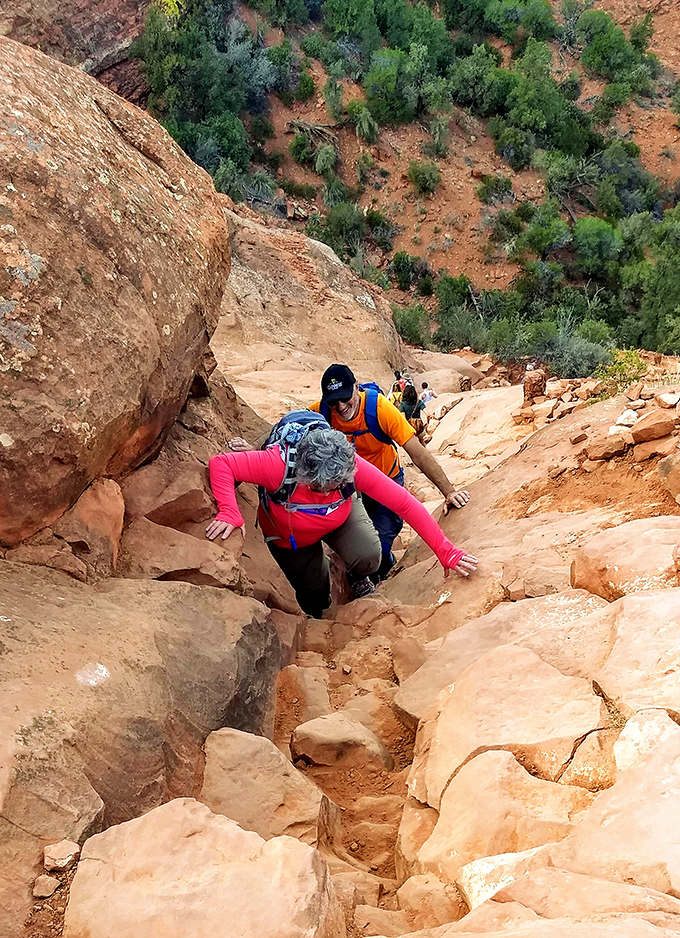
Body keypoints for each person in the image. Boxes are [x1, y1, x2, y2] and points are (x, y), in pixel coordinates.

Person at [206, 423, 478, 619]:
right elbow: (222, 464)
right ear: (302, 473)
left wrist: (447, 552)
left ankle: (357, 577)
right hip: (290, 535)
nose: (326, 492)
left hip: (339, 519)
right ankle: (321, 602)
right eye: (319, 488)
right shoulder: (277, 465)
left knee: (371, 554)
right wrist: (230, 511)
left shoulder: (353, 468)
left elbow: (404, 503)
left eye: (335, 486)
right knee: (312, 594)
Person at [311, 364, 470, 581]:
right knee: (355, 546)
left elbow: (417, 452)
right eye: (332, 401)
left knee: (381, 548)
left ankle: (384, 569)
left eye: (344, 397)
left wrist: (448, 491)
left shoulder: (379, 409)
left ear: (356, 387)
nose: (339, 406)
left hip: (385, 482)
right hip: (347, 488)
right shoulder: (319, 413)